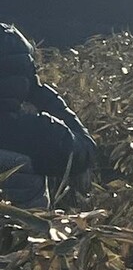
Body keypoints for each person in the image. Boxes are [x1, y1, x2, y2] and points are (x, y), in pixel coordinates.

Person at [0, 22, 96, 208]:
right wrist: (40, 93)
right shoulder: (36, 134)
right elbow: (85, 150)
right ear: (24, 78)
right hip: (22, 236)